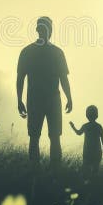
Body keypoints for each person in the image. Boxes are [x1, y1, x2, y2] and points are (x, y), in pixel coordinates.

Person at [17, 16, 73, 167]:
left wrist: (19, 100)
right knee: (54, 137)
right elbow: (63, 78)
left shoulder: (27, 52)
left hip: (35, 99)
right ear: (50, 30)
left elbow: (20, 78)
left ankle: (34, 169)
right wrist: (69, 98)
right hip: (52, 100)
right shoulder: (57, 53)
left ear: (38, 29)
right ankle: (55, 170)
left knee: (35, 137)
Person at [69, 105, 103, 175]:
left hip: (87, 151)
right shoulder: (99, 126)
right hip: (97, 150)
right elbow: (102, 138)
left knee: (86, 170)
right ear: (96, 115)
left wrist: (73, 126)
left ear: (87, 115)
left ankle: (87, 180)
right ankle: (93, 180)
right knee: (95, 170)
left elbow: (78, 133)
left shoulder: (85, 126)